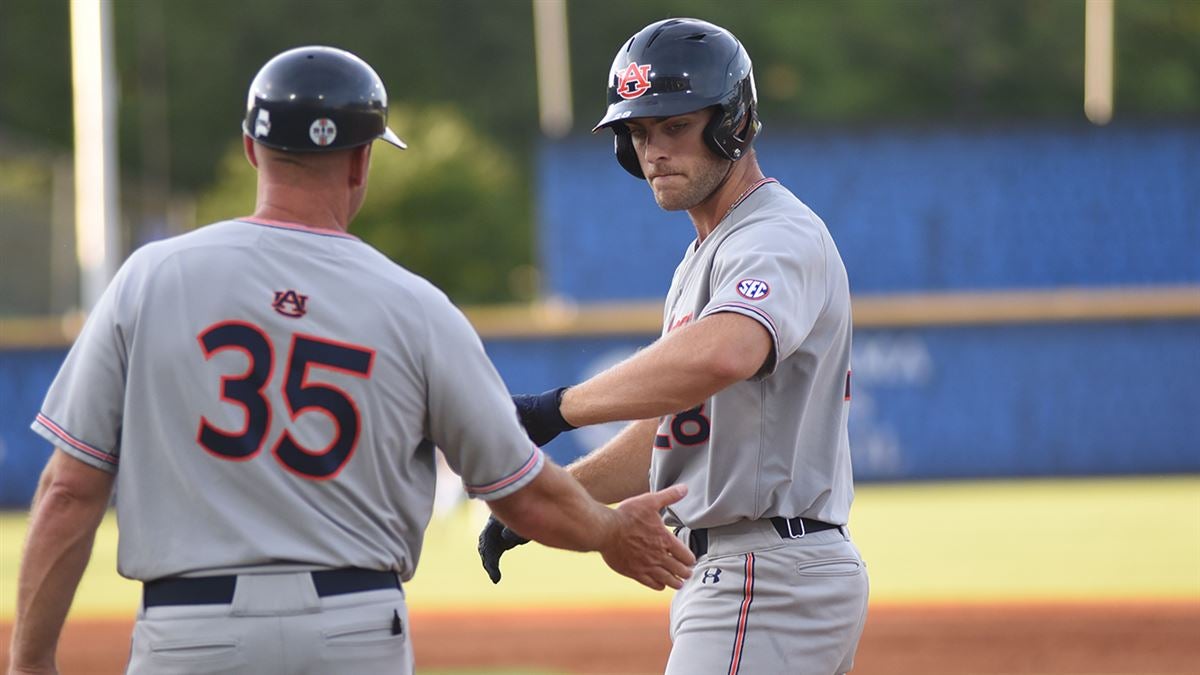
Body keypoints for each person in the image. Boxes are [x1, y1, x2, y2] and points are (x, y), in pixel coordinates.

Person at [8, 45, 694, 675]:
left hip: (189, 627)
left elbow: (69, 490)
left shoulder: (149, 278)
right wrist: (607, 529)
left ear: (252, 149)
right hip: (353, 625)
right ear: (363, 160)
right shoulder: (416, 306)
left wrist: (31, 658)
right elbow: (518, 488)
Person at [478, 18, 869, 674]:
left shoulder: (773, 235)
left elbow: (725, 353)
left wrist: (555, 408)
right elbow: (672, 438)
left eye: (675, 125)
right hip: (748, 571)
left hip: (763, 576)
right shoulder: (707, 252)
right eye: (638, 131)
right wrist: (553, 498)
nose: (653, 148)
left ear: (734, 124)